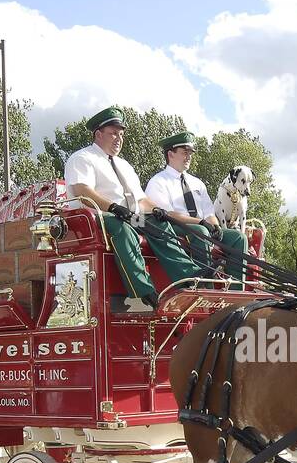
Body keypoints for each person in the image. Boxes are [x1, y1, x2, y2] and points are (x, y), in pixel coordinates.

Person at [64, 107, 204, 313]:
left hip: (131, 217)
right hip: (99, 219)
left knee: (159, 224)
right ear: (98, 134)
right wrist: (113, 207)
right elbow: (82, 190)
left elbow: (141, 200)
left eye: (121, 134)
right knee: (122, 227)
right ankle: (143, 290)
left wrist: (158, 211)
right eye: (113, 133)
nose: (118, 139)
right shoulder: (82, 158)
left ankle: (188, 277)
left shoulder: (125, 166)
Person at [144, 132, 248, 288]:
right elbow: (168, 215)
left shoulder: (197, 183)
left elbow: (208, 212)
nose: (189, 157)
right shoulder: (158, 182)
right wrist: (201, 223)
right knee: (201, 231)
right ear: (170, 154)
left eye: (190, 153)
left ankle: (236, 291)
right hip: (174, 228)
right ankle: (206, 290)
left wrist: (215, 226)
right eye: (184, 153)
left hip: (201, 226)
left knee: (238, 238)